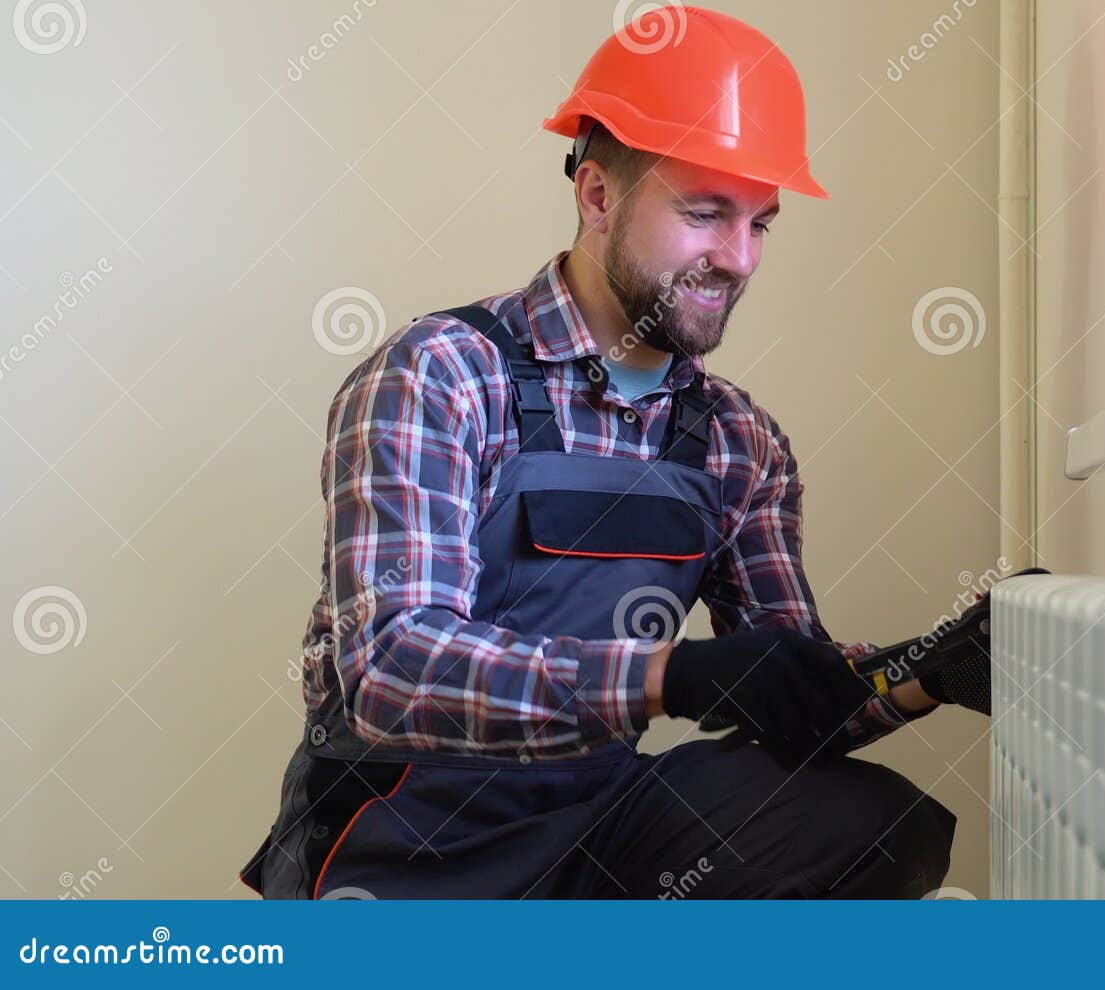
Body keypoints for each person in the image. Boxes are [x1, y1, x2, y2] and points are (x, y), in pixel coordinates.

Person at [237, 6, 963, 900]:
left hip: (599, 827)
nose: (738, 258)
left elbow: (794, 702)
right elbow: (388, 669)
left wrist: (931, 669)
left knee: (874, 827)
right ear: (597, 196)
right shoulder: (441, 377)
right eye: (705, 213)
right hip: (401, 855)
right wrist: (675, 675)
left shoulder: (739, 442)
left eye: (760, 224)